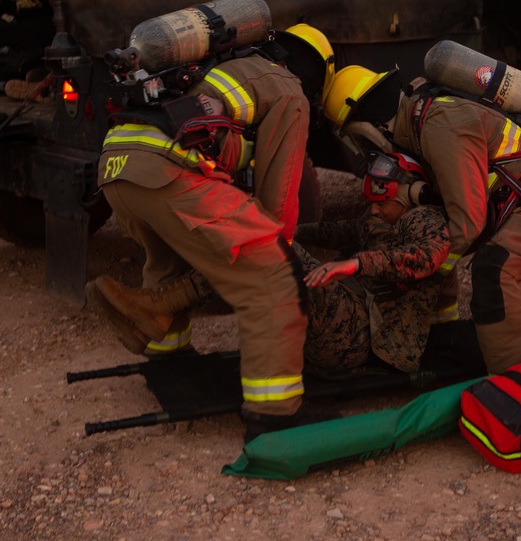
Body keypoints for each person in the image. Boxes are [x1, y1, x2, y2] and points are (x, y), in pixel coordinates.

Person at [85, 22, 335, 437]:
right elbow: (281, 190)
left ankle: (170, 358)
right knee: (272, 277)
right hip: (166, 170)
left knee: (173, 253)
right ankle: (274, 416)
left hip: (117, 165)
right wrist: (280, 254)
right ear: (315, 71)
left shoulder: (221, 68)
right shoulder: (289, 91)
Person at [320, 63, 521, 375]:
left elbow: (468, 222)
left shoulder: (439, 126)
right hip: (509, 199)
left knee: (495, 270)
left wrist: (424, 270)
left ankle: (519, 383)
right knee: (433, 233)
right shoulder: (417, 115)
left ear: (370, 124)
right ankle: (441, 334)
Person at [294, 151, 450, 374]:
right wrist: (296, 231)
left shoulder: (424, 220)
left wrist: (357, 264)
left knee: (287, 255)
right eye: (373, 203)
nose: (374, 210)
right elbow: (347, 231)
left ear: (413, 196)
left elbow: (425, 258)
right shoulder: (378, 218)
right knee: (278, 243)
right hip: (350, 320)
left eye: (383, 203)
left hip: (357, 339)